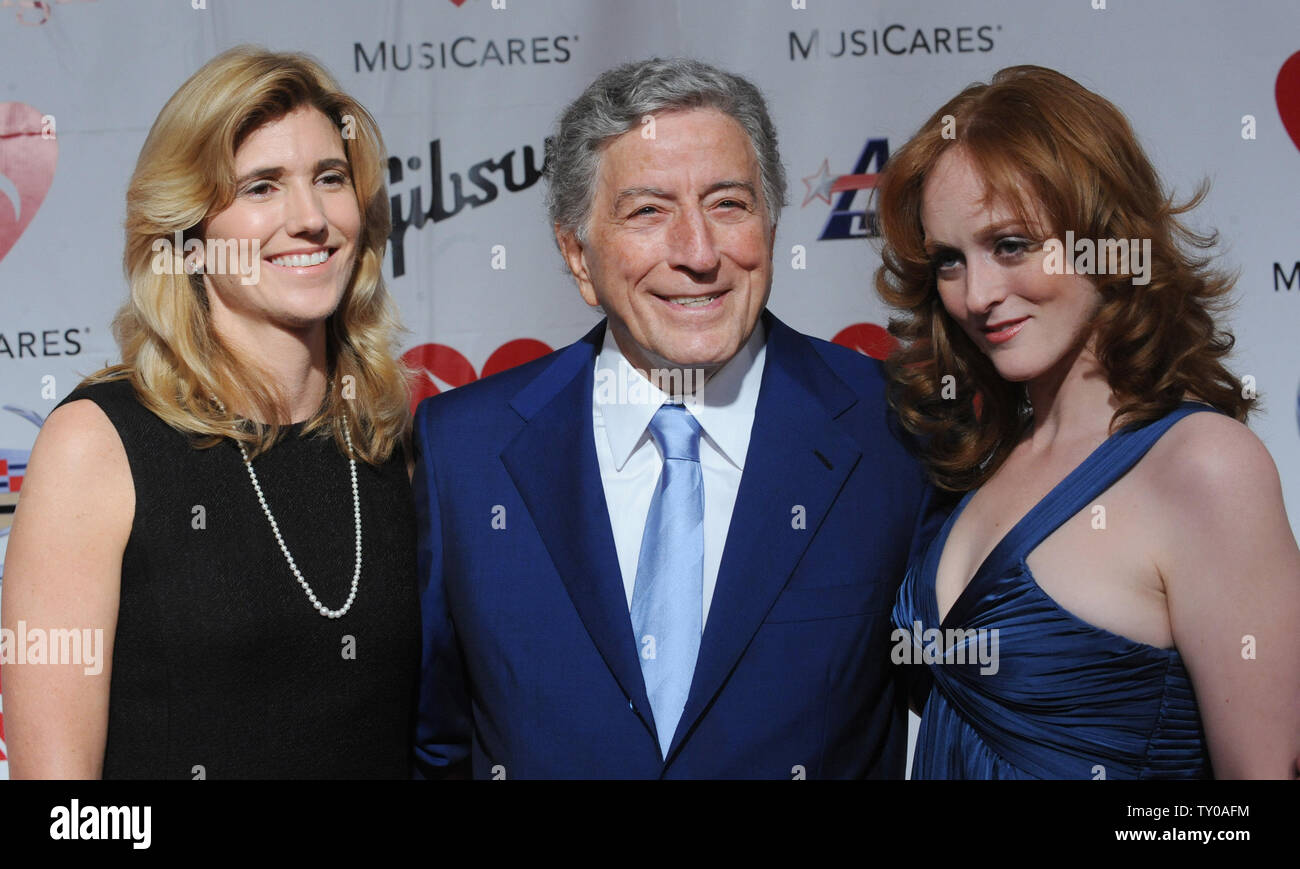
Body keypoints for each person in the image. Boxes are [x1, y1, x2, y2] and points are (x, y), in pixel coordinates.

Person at [412, 57, 931, 778]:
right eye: (648, 211)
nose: (698, 253)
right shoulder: (463, 451)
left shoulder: (894, 434)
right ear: (579, 256)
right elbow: (436, 744)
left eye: (727, 204)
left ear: (772, 226)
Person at [0, 47, 418, 778]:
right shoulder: (99, 444)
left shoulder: (388, 438)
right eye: (262, 187)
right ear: (188, 240)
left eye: (331, 178)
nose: (311, 218)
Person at [875, 65, 1300, 779]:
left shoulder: (1204, 467)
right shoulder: (974, 466)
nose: (978, 294)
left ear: (1103, 235)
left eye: (1010, 245)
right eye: (950, 260)